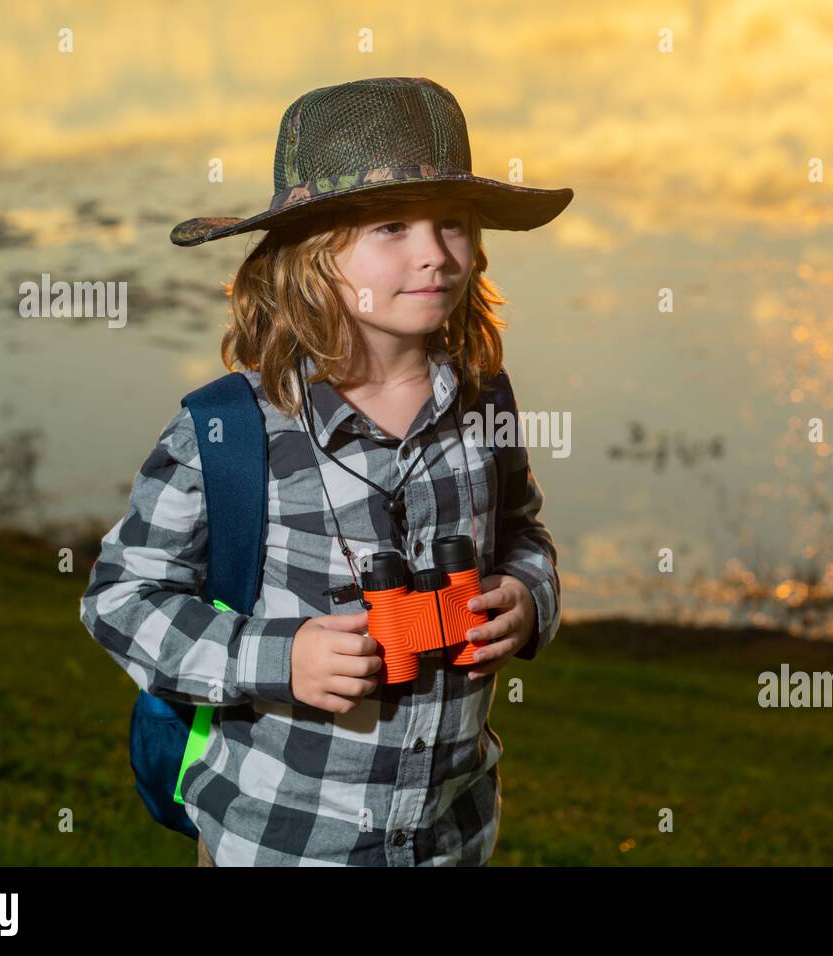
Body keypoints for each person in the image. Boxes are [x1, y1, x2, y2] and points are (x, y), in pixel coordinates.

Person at [79, 77, 570, 866]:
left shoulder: (485, 403)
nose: (434, 254)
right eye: (391, 226)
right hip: (279, 840)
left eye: (454, 224)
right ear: (313, 256)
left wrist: (527, 597)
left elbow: (521, 534)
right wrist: (281, 658)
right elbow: (121, 601)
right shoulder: (230, 430)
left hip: (451, 835)